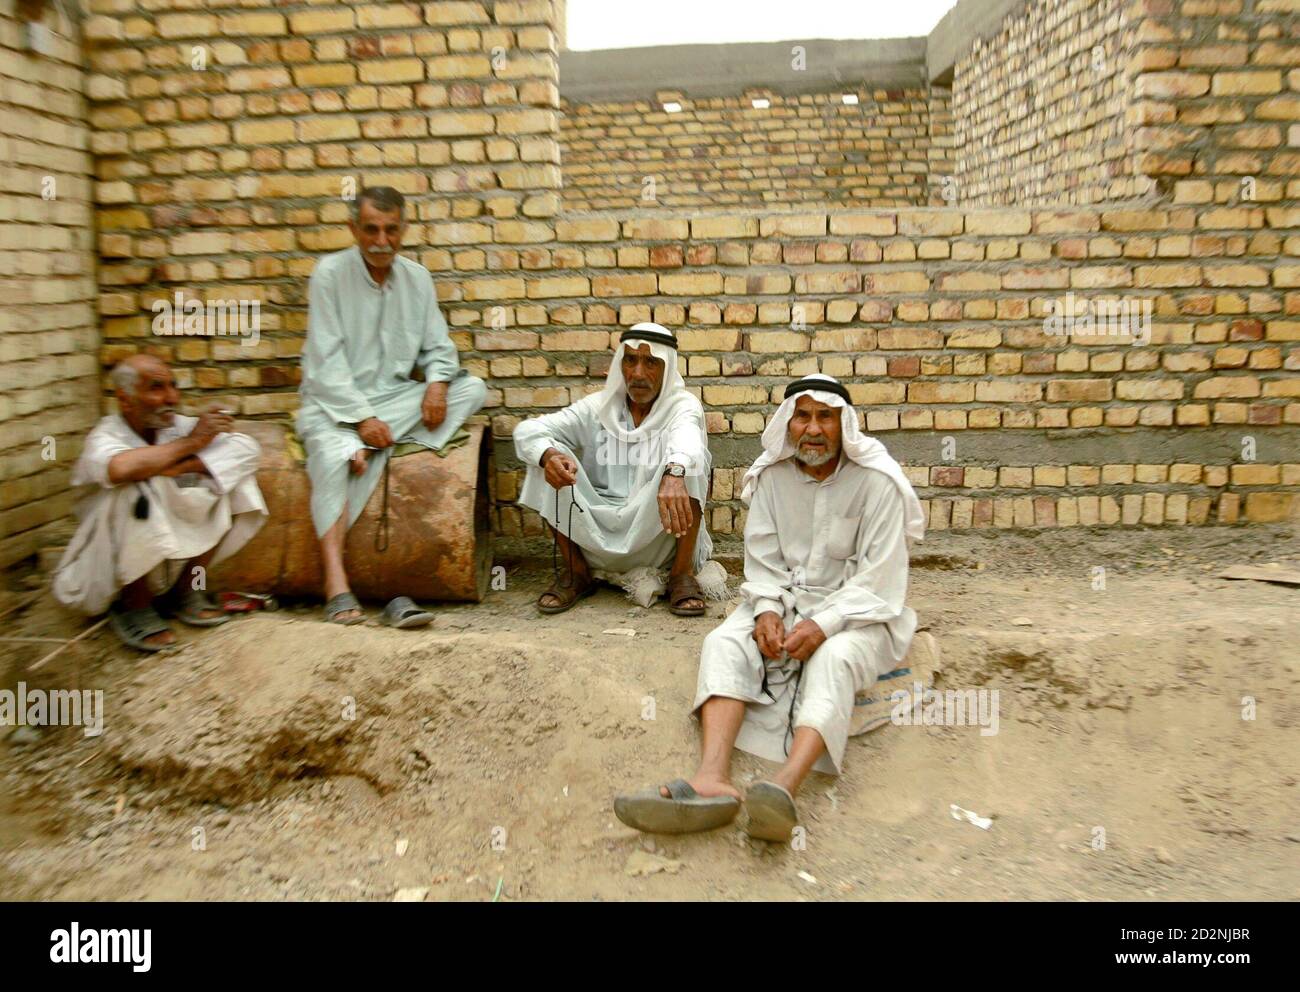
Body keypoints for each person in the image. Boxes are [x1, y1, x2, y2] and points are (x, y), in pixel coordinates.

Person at [614, 374, 925, 840]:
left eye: (826, 417)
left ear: (846, 425)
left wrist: (821, 625)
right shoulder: (770, 479)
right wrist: (766, 612)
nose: (813, 429)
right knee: (723, 642)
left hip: (860, 612)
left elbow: (879, 581)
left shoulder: (879, 484)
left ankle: (781, 790)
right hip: (787, 603)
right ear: (787, 423)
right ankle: (711, 780)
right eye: (802, 416)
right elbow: (763, 564)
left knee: (834, 658)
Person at [298, 185, 486, 625]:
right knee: (329, 453)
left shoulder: (416, 278)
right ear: (353, 229)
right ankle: (336, 584)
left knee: (471, 389)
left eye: (391, 230)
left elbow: (440, 349)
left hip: (394, 402)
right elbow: (324, 364)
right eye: (371, 230)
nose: (382, 241)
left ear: (404, 229)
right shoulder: (329, 274)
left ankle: (371, 444)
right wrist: (361, 419)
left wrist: (438, 384)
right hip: (335, 403)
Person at [52, 355, 267, 651]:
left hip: (164, 558)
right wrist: (192, 444)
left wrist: (183, 466)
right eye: (156, 388)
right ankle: (133, 605)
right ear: (125, 400)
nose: (172, 397)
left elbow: (248, 449)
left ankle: (188, 591)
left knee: (235, 479)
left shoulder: (174, 426)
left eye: (173, 386)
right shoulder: (106, 435)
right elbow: (121, 469)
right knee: (133, 488)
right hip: (107, 561)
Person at [512, 323, 722, 615]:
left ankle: (681, 576)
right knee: (544, 460)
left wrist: (674, 473)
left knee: (690, 466)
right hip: (595, 536)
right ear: (620, 364)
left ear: (667, 367)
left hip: (654, 539)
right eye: (631, 360)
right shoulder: (597, 406)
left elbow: (687, 441)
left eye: (651, 362)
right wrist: (548, 455)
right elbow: (528, 430)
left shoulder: (681, 406)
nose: (638, 373)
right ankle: (577, 573)